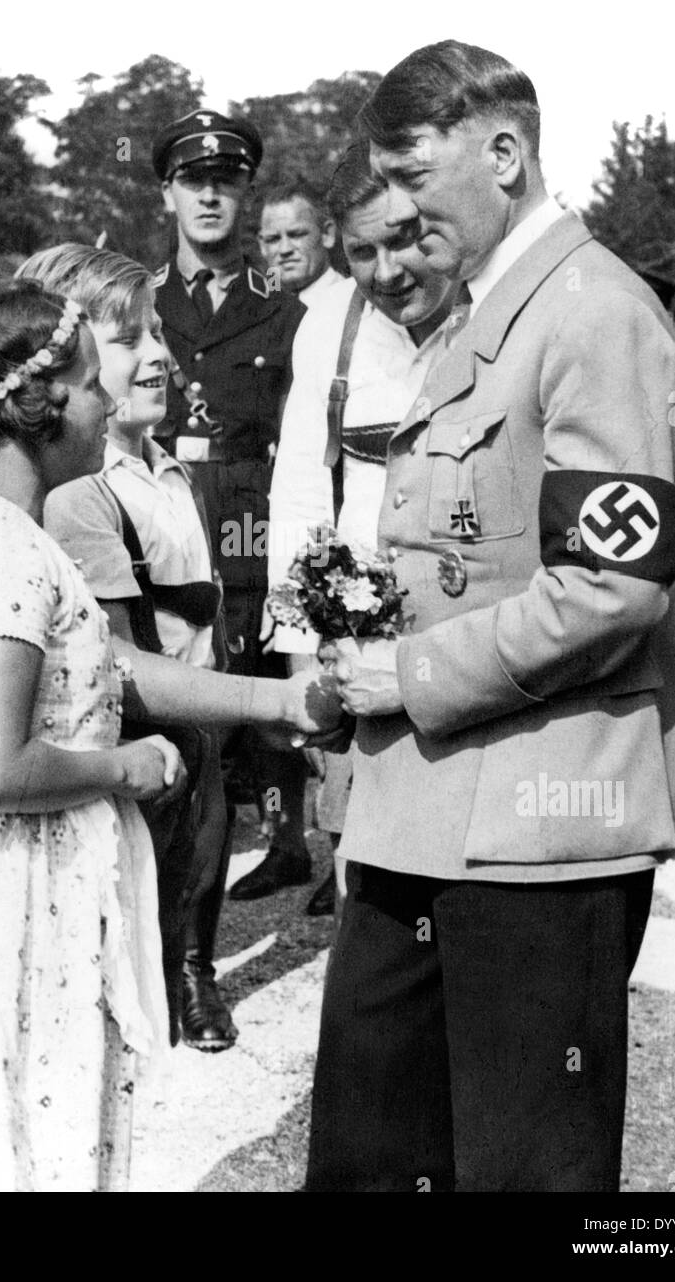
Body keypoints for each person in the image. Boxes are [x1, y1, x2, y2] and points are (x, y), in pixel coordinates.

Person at [0, 283, 340, 1191]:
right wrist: (124, 766)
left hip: (8, 874)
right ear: (35, 408)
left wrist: (273, 704)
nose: (110, 402)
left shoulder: (11, 529)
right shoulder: (2, 547)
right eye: (91, 385)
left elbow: (105, 664)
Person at [306, 40, 675, 1193]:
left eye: (418, 179)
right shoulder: (483, 319)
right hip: (425, 810)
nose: (401, 209)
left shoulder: (594, 315)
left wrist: (411, 675)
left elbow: (613, 587)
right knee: (373, 1159)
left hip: (541, 825)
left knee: (527, 1171)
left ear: (505, 153)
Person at [22, 242, 235, 1052]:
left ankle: (193, 968)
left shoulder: (168, 471)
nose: (158, 356)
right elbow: (115, 657)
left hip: (193, 692)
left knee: (204, 847)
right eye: (128, 340)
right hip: (142, 717)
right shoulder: (83, 487)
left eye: (156, 333)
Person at [264, 143, 456, 916]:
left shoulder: (488, 310)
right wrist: (298, 650)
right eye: (360, 251)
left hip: (466, 624)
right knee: (366, 857)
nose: (385, 270)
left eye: (402, 240)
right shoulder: (326, 328)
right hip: (361, 622)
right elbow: (301, 489)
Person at [151, 112, 313, 932]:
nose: (209, 195)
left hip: (242, 545)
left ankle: (193, 961)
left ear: (245, 193)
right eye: (192, 181)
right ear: (167, 192)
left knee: (221, 744)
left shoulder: (286, 315)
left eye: (226, 181)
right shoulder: (136, 302)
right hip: (148, 537)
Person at [256, 180, 345, 306]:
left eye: (296, 235)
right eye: (273, 239)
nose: (285, 249)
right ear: (262, 246)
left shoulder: (351, 302)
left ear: (327, 234)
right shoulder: (257, 308)